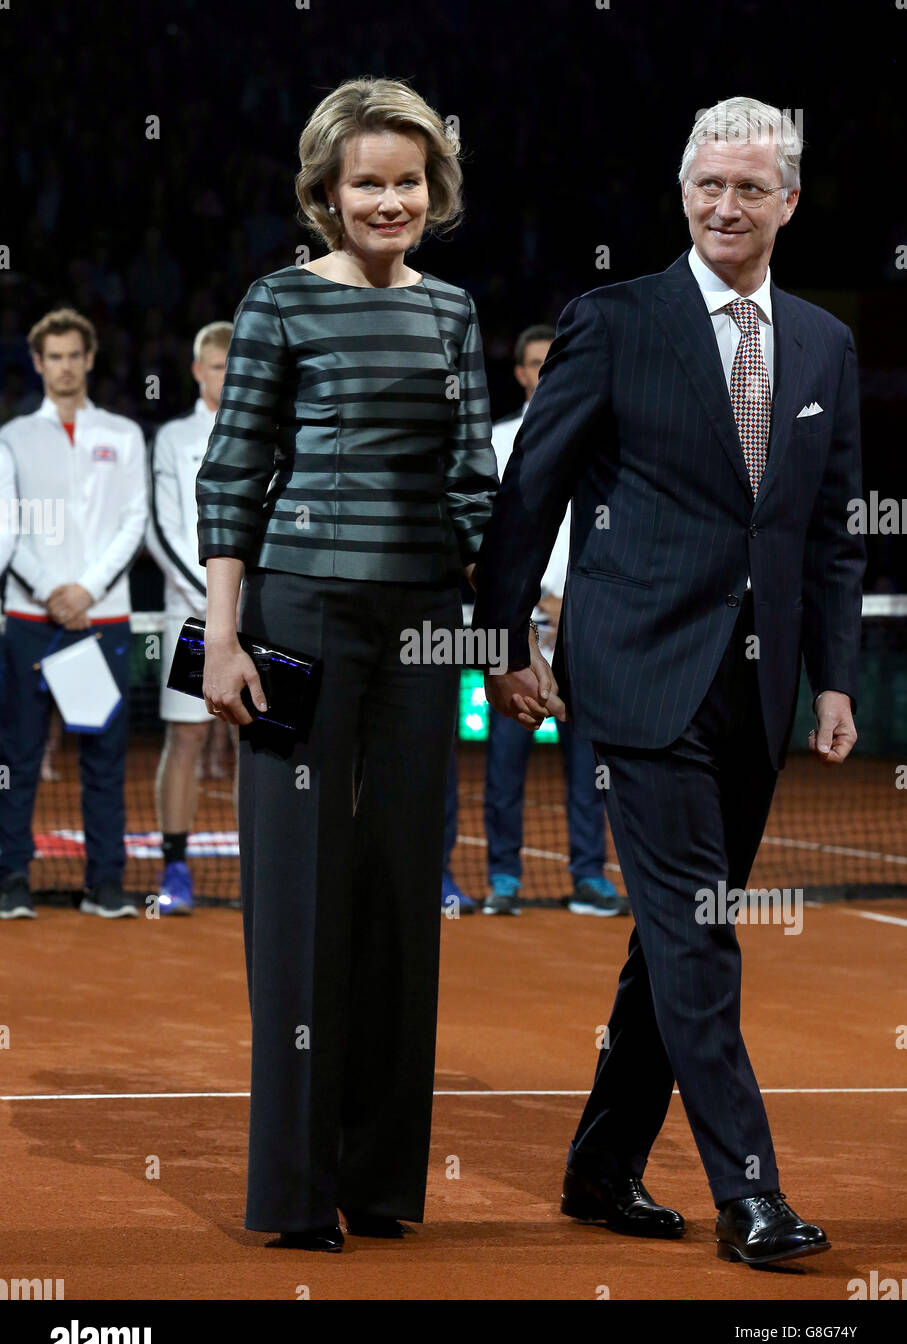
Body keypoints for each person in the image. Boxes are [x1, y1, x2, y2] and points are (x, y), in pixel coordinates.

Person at [473, 97, 865, 1267]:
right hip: (637, 674)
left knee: (673, 933)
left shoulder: (824, 343)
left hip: (759, 692)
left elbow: (833, 530)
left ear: (787, 201)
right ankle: (749, 1192)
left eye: (749, 187)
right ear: (683, 193)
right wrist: (502, 645)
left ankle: (600, 1166)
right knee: (701, 932)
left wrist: (833, 676)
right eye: (708, 184)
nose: (725, 205)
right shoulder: (612, 319)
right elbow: (526, 495)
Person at [195, 77, 531, 1252]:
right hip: (294, 618)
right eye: (367, 183)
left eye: (407, 181)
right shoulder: (279, 303)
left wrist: (504, 645)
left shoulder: (449, 313)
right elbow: (232, 475)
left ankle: (381, 1179)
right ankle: (292, 1194)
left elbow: (471, 493)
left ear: (432, 191)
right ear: (327, 194)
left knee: (401, 890)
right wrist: (224, 636)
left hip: (426, 625)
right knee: (295, 895)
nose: (389, 199)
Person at [0, 308, 147, 919]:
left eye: (73, 355)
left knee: (104, 759)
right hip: (32, 621)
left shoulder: (125, 434)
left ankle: (104, 884)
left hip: (100, 620)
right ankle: (11, 882)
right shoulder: (12, 437)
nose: (63, 366)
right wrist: (52, 590)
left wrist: (84, 591)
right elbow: (7, 528)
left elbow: (133, 523)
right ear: (38, 363)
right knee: (17, 757)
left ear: (89, 360)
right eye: (52, 356)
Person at [483, 325, 622, 918]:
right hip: (520, 631)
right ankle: (502, 877)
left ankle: (589, 875)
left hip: (585, 632)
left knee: (589, 765)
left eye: (553, 362)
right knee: (504, 762)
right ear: (519, 372)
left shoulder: (602, 438)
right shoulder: (494, 440)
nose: (544, 371)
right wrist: (540, 601)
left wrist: (579, 606)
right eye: (535, 362)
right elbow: (493, 540)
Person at [145, 320, 237, 915]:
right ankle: (175, 868)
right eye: (218, 366)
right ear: (199, 371)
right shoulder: (173, 438)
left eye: (236, 366)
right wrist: (215, 595)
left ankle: (264, 869)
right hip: (193, 618)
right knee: (185, 738)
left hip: (262, 616)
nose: (227, 377)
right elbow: (162, 530)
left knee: (261, 740)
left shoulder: (276, 432)